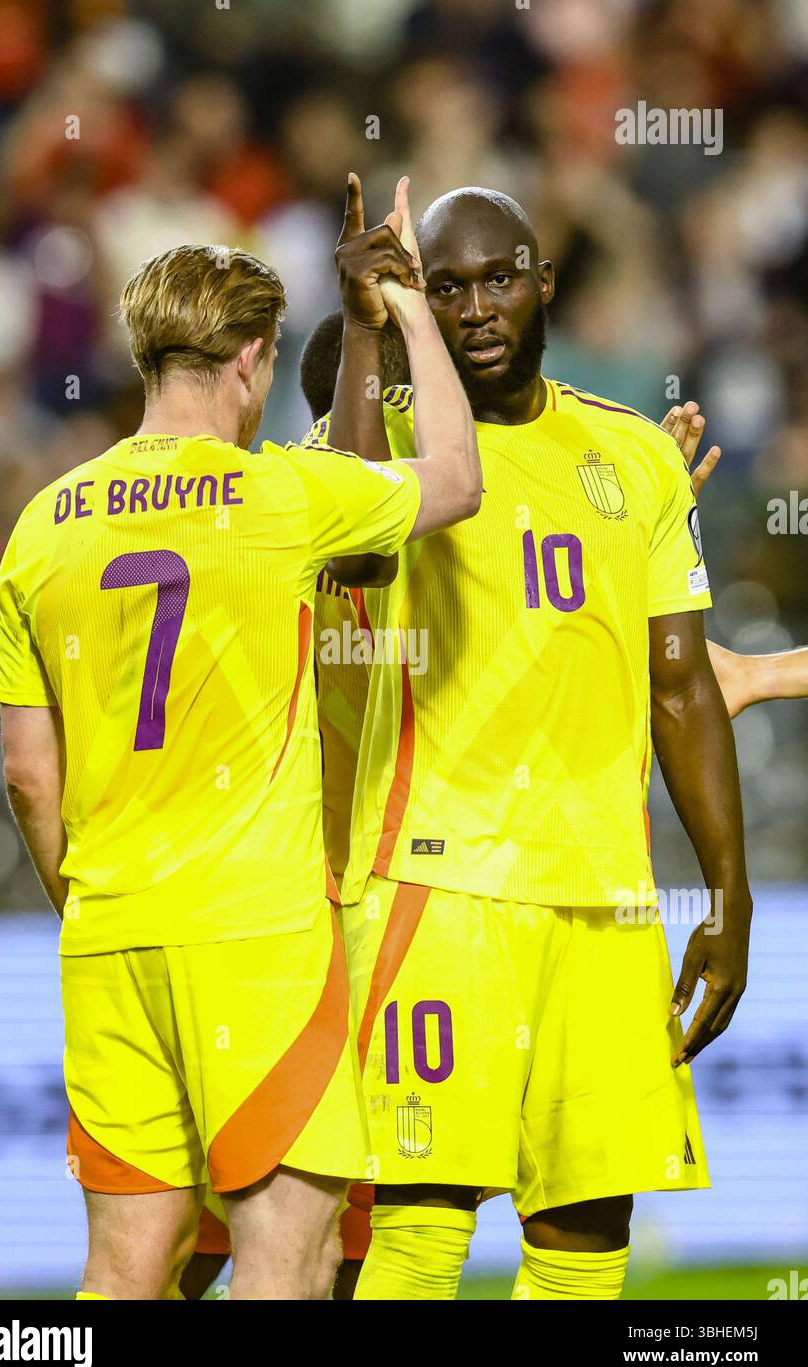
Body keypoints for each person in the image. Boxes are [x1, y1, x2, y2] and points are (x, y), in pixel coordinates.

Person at [0, 223, 482, 1300]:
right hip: (257, 938)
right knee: (287, 1253)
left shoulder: (41, 527)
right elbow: (456, 478)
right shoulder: (281, 498)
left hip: (109, 935)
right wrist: (404, 311)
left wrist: (82, 892)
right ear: (254, 359)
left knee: (127, 1263)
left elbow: (27, 772)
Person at [312, 178, 752, 1301]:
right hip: (436, 888)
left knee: (585, 1237)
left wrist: (730, 895)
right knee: (418, 1224)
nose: (476, 308)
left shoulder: (637, 457)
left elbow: (684, 685)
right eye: (444, 288)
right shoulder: (392, 435)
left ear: (544, 281)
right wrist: (368, 333)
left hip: (606, 900)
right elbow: (357, 553)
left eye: (499, 278)